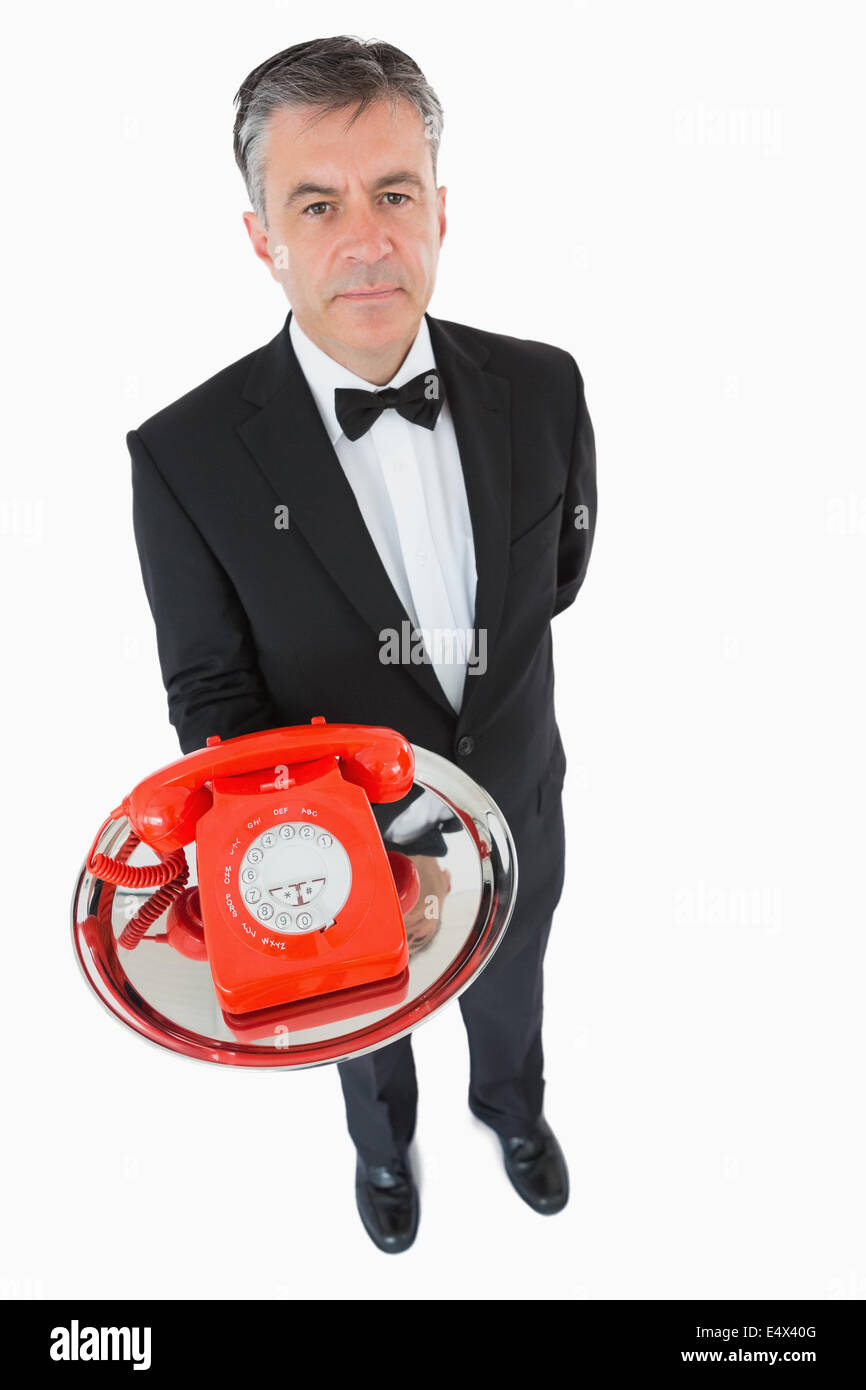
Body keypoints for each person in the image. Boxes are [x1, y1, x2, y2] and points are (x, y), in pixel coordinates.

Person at [128, 35, 597, 1254]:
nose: (366, 238)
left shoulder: (543, 388)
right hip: (330, 857)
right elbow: (209, 687)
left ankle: (511, 1110)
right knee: (365, 1031)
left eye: (393, 194)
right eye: (316, 204)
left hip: (517, 806)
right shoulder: (181, 459)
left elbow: (556, 579)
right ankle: (383, 1149)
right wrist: (306, 845)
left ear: (438, 209)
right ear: (260, 238)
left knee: (511, 998)